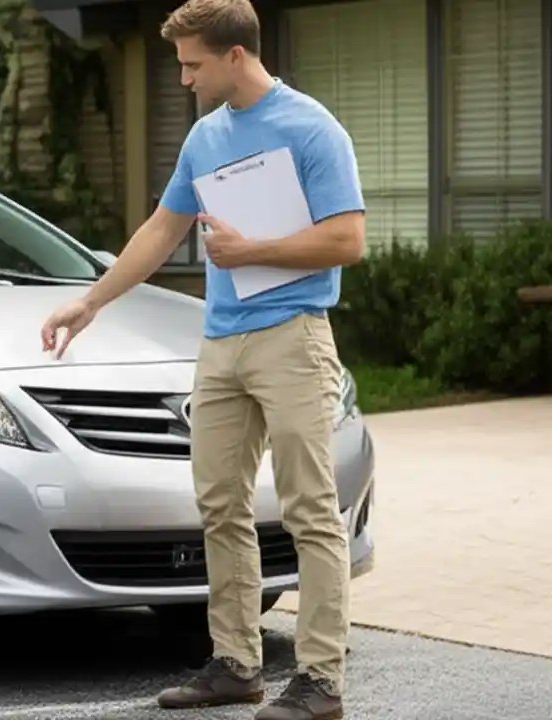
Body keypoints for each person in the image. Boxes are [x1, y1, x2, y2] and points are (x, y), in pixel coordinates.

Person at [39, 1, 364, 718]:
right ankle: (236, 662)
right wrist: (89, 303)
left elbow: (347, 241)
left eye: (192, 64)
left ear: (236, 57)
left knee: (312, 511)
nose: (183, 78)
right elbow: (161, 229)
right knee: (220, 504)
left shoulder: (313, 129)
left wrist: (254, 252)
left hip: (293, 338)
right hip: (220, 345)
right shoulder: (205, 136)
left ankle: (320, 680)